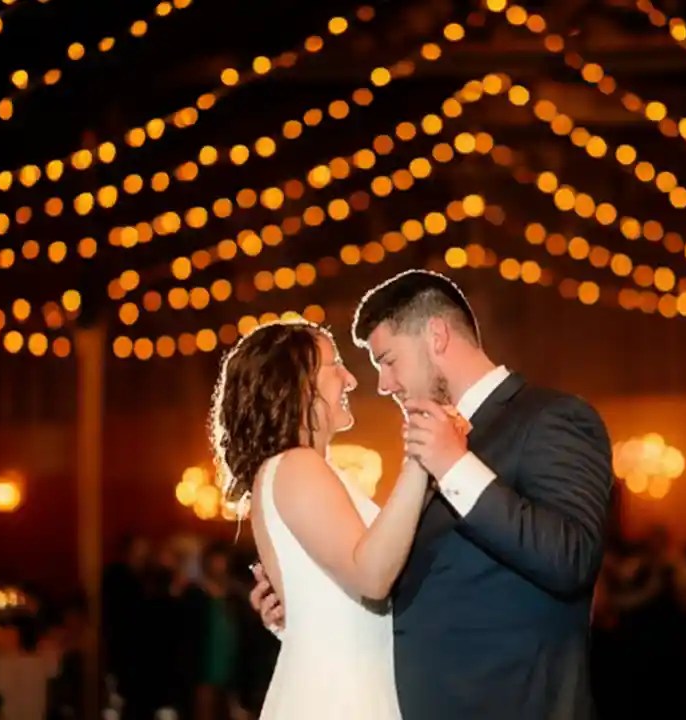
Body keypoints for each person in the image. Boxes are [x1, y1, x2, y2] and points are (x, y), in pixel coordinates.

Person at [249, 269, 614, 719]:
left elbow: (571, 557)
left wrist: (454, 465)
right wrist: (308, 605)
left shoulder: (549, 419)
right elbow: (391, 581)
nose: (382, 384)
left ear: (436, 335)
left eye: (388, 359)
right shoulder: (423, 452)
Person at [209, 319, 431, 719]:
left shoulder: (298, 470)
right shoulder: (296, 466)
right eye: (335, 365)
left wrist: (292, 624)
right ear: (297, 384)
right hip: (340, 700)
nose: (350, 380)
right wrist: (420, 458)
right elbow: (372, 576)